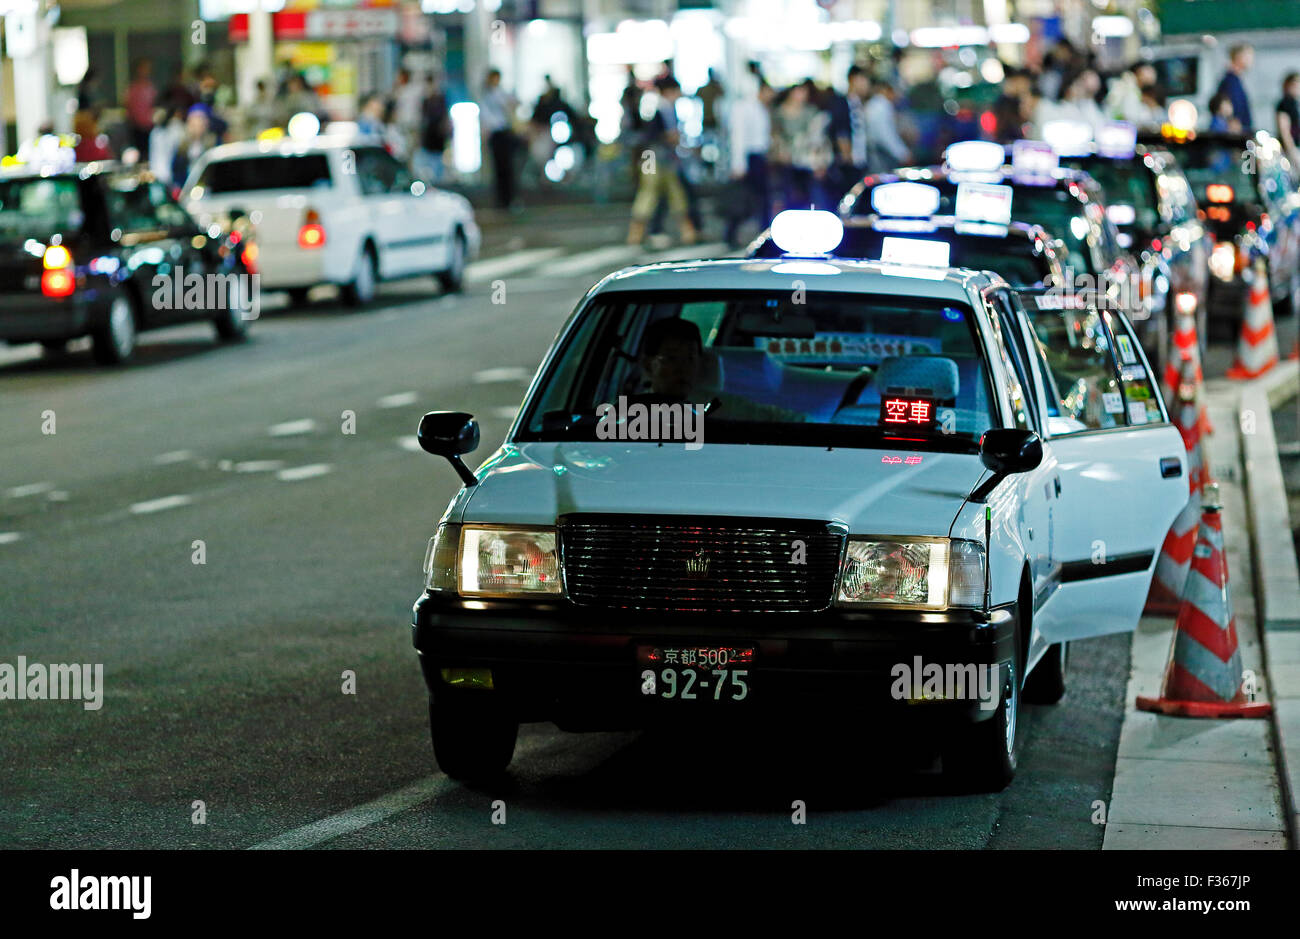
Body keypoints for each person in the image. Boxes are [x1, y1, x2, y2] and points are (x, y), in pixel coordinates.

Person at [626, 77, 697, 246]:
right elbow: (656, 135)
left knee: (671, 192)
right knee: (652, 192)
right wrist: (672, 138)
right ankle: (637, 233)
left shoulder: (661, 107)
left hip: (656, 157)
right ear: (669, 91)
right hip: (654, 157)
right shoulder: (660, 108)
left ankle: (687, 231)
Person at [725, 79, 774, 247]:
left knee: (760, 199)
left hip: (759, 157)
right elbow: (739, 137)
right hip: (749, 158)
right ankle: (731, 233)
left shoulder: (760, 107)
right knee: (744, 199)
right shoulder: (743, 107)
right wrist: (739, 164)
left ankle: (763, 233)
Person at [770, 82, 833, 210]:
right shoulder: (779, 112)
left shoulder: (810, 112)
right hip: (787, 160)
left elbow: (818, 137)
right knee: (788, 196)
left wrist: (819, 162)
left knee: (813, 194)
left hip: (807, 160)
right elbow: (775, 135)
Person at [480, 68, 519, 211]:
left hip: (505, 132)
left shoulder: (502, 94)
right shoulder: (487, 96)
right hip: (495, 134)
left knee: (508, 168)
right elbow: (486, 118)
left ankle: (509, 199)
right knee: (499, 168)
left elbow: (514, 104)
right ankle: (502, 200)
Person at [828, 65, 870, 192]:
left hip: (860, 161)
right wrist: (847, 155)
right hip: (849, 164)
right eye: (863, 80)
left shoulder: (859, 103)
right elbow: (840, 131)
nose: (866, 84)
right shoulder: (842, 102)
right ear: (853, 79)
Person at [864, 80, 911, 174]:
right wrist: (902, 154)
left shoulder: (873, 104)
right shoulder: (882, 106)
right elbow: (886, 135)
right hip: (881, 155)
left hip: (877, 153)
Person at [417, 74, 451, 182]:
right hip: (429, 135)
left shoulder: (441, 99)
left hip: (438, 135)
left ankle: (438, 180)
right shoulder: (425, 100)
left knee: (438, 160)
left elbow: (445, 116)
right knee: (429, 160)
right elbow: (422, 118)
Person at [1213, 43, 1254, 133]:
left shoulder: (1235, 80)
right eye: (1249, 55)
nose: (1251, 60)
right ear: (1239, 57)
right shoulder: (1230, 82)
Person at [125, 59, 156, 157]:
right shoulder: (132, 88)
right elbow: (129, 108)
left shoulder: (150, 87)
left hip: (149, 127)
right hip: (136, 128)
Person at [1275, 73, 1300, 174]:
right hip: (1291, 150)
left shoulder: (1294, 103)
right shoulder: (1285, 104)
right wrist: (1292, 151)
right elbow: (1284, 131)